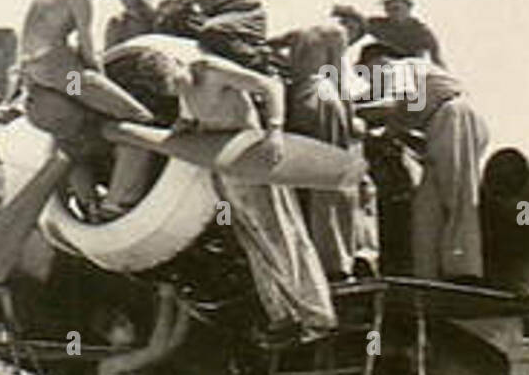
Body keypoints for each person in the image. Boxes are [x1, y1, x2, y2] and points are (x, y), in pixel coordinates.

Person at [125, 35, 337, 337]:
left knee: (279, 232)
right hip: (224, 167)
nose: (178, 89)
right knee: (251, 239)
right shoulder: (183, 90)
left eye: (175, 81)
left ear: (175, 66)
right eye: (171, 89)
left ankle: (317, 315)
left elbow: (270, 86)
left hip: (250, 154)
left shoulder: (210, 70)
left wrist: (274, 131)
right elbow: (187, 121)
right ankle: (282, 315)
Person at [19, 0, 159, 220]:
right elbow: (87, 48)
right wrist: (104, 81)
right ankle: (117, 202)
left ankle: (89, 204)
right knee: (141, 120)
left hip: (39, 76)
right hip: (67, 76)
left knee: (74, 138)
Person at [359, 43, 488, 281]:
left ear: (378, 61)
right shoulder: (406, 81)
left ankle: (463, 270)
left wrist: (354, 110)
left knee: (457, 195)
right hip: (437, 127)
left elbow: (396, 107)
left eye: (366, 70)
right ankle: (426, 276)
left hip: (455, 117)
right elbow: (401, 118)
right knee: (426, 207)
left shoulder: (401, 67)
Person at [274, 25, 377, 280]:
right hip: (321, 93)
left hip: (302, 96)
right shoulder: (334, 33)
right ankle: (337, 262)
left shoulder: (301, 32)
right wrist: (352, 118)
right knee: (333, 184)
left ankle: (330, 258)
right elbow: (338, 74)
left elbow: (273, 44)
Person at [337, 0, 445, 66]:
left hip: (410, 70)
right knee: (371, 51)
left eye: (397, 8)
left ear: (408, 7)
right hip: (384, 70)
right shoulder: (379, 24)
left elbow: (437, 60)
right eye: (388, 9)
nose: (393, 13)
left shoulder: (421, 32)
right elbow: (359, 26)